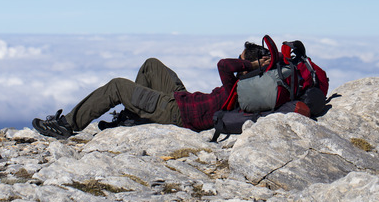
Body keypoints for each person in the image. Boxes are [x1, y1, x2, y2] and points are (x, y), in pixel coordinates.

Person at [31, 42, 271, 138]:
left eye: (242, 60)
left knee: (116, 85)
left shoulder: (239, 87)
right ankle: (133, 116)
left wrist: (249, 65)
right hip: (181, 101)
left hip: (174, 112)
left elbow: (223, 65)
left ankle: (67, 125)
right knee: (151, 65)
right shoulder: (247, 88)